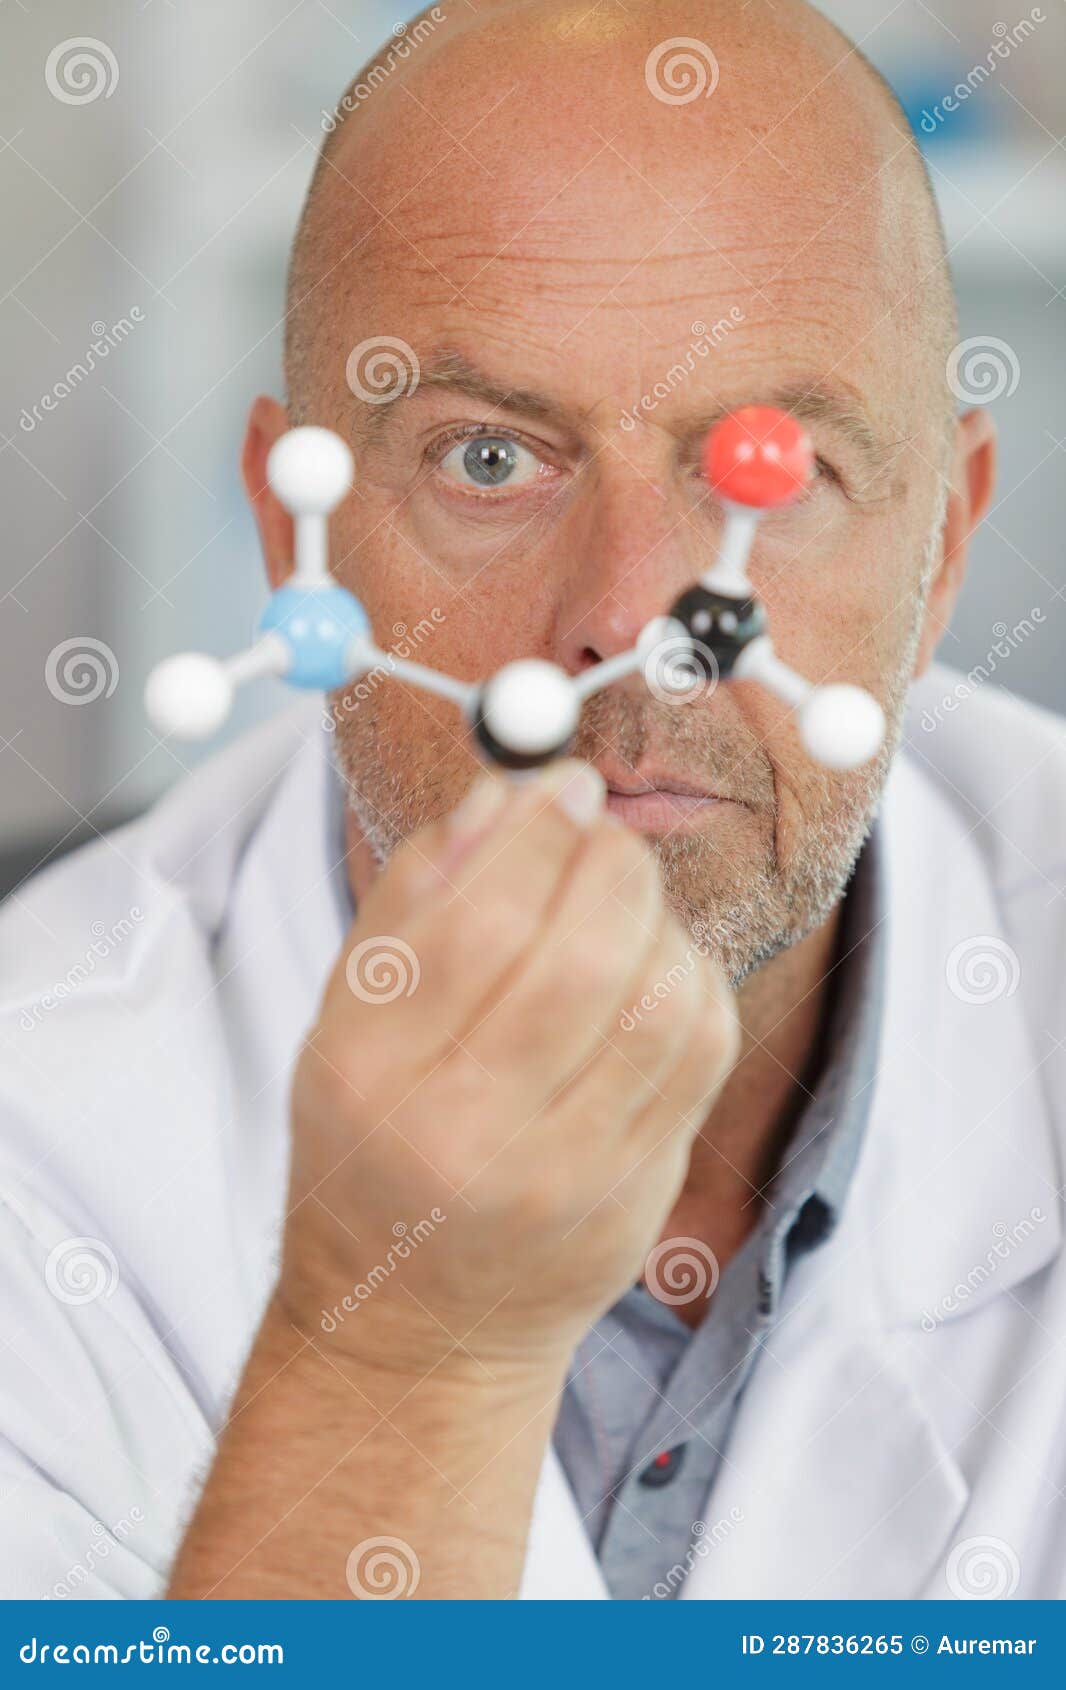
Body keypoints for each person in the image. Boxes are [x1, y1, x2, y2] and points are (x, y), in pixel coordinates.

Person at [2, 0, 1064, 1602]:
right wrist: (409, 1348)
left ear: (942, 553)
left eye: (767, 477)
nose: (633, 621)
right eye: (489, 460)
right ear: (298, 533)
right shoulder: (39, 1150)